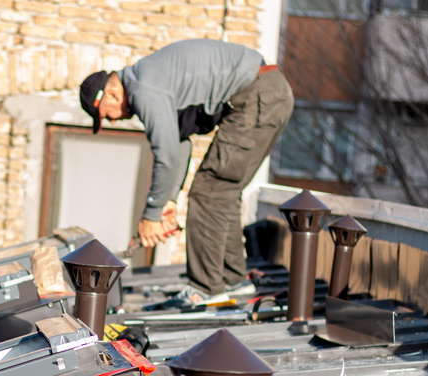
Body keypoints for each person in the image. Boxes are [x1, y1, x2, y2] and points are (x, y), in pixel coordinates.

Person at [79, 39, 294, 306]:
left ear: (111, 94)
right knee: (222, 189)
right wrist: (168, 202)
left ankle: (206, 288)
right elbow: (179, 145)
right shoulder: (151, 79)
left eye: (105, 115)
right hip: (266, 92)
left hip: (257, 95)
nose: (111, 120)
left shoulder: (143, 89)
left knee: (210, 190)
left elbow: (166, 155)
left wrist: (151, 215)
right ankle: (233, 280)